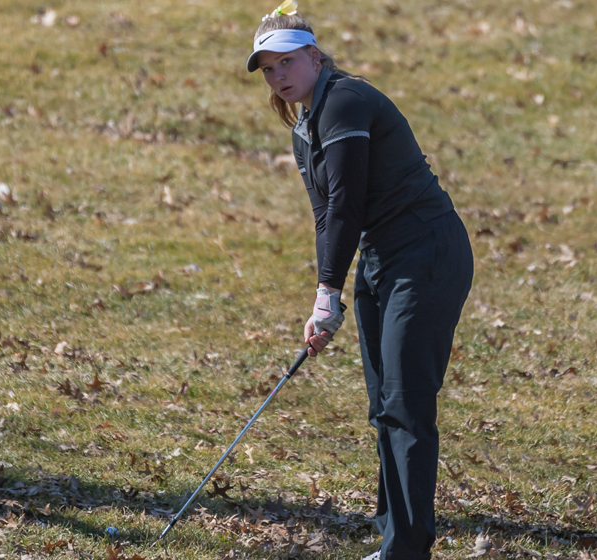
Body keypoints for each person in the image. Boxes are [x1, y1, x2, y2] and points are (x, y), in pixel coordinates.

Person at [247, 2, 474, 559]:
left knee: (405, 403)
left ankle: (407, 551)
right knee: (383, 406)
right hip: (380, 260)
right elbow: (327, 217)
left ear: (314, 55)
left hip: (425, 252)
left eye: (287, 61)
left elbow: (347, 202)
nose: (279, 75)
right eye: (268, 68)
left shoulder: (344, 100)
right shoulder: (305, 125)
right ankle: (394, 540)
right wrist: (328, 295)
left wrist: (328, 292)